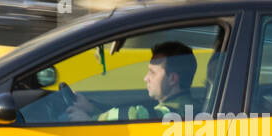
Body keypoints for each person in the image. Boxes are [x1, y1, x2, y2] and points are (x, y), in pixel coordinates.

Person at [66, 41, 197, 121]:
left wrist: (90, 122)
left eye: (152, 72)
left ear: (172, 79)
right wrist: (92, 108)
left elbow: (135, 115)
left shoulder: (174, 113)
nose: (146, 78)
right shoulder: (183, 106)